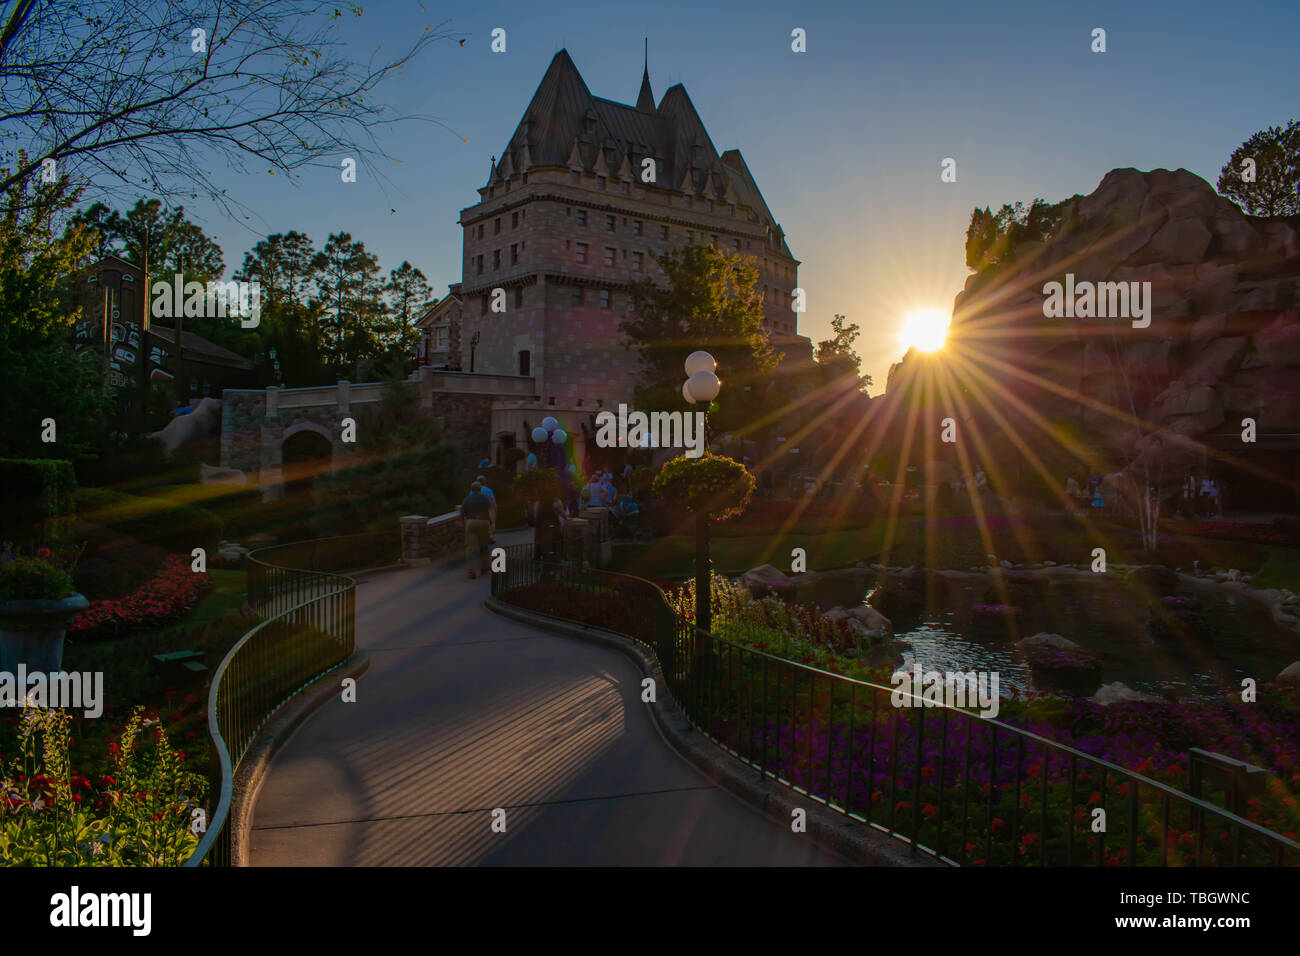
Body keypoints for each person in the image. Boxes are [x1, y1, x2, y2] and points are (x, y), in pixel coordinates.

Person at [460, 482, 493, 579]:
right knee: (484, 546)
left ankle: (471, 572)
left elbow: (462, 514)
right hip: (483, 522)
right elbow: (491, 511)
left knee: (470, 548)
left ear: (471, 489)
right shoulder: (485, 498)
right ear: (480, 489)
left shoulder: (466, 499)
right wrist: (491, 524)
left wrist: (464, 526)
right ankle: (485, 567)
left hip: (471, 523)